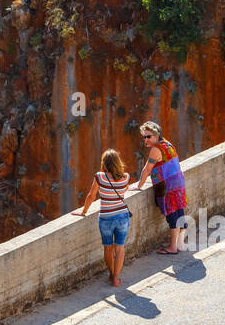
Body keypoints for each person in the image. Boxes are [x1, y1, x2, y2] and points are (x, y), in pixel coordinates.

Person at [75, 149, 131, 287]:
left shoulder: (100, 177)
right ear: (118, 162)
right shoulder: (125, 177)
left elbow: (91, 195)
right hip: (122, 216)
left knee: (108, 248)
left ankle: (111, 274)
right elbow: (125, 189)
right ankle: (116, 279)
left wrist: (84, 211)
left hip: (106, 217)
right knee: (120, 248)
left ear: (104, 163)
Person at [131, 121, 187, 254]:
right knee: (179, 212)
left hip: (168, 186)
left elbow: (147, 169)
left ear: (156, 135)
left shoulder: (156, 150)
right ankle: (180, 244)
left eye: (148, 136)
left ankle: (173, 248)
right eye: (144, 136)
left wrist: (139, 186)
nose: (146, 139)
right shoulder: (167, 143)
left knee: (172, 216)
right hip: (178, 182)